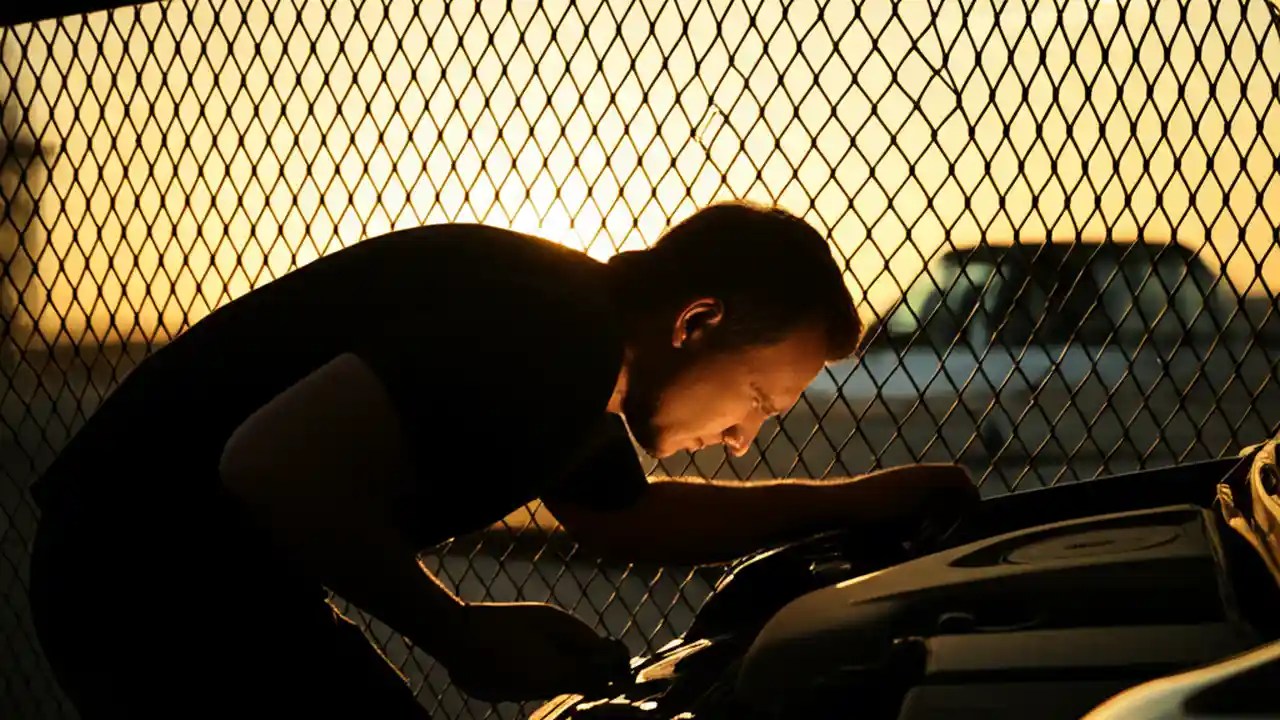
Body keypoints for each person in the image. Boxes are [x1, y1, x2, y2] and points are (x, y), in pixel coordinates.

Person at [27, 201, 976, 718]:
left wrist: (863, 500)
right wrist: (458, 633)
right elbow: (271, 463)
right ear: (697, 322)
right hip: (148, 583)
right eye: (760, 398)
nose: (743, 435)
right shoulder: (549, 331)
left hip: (162, 577)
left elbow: (626, 516)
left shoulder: (571, 334)